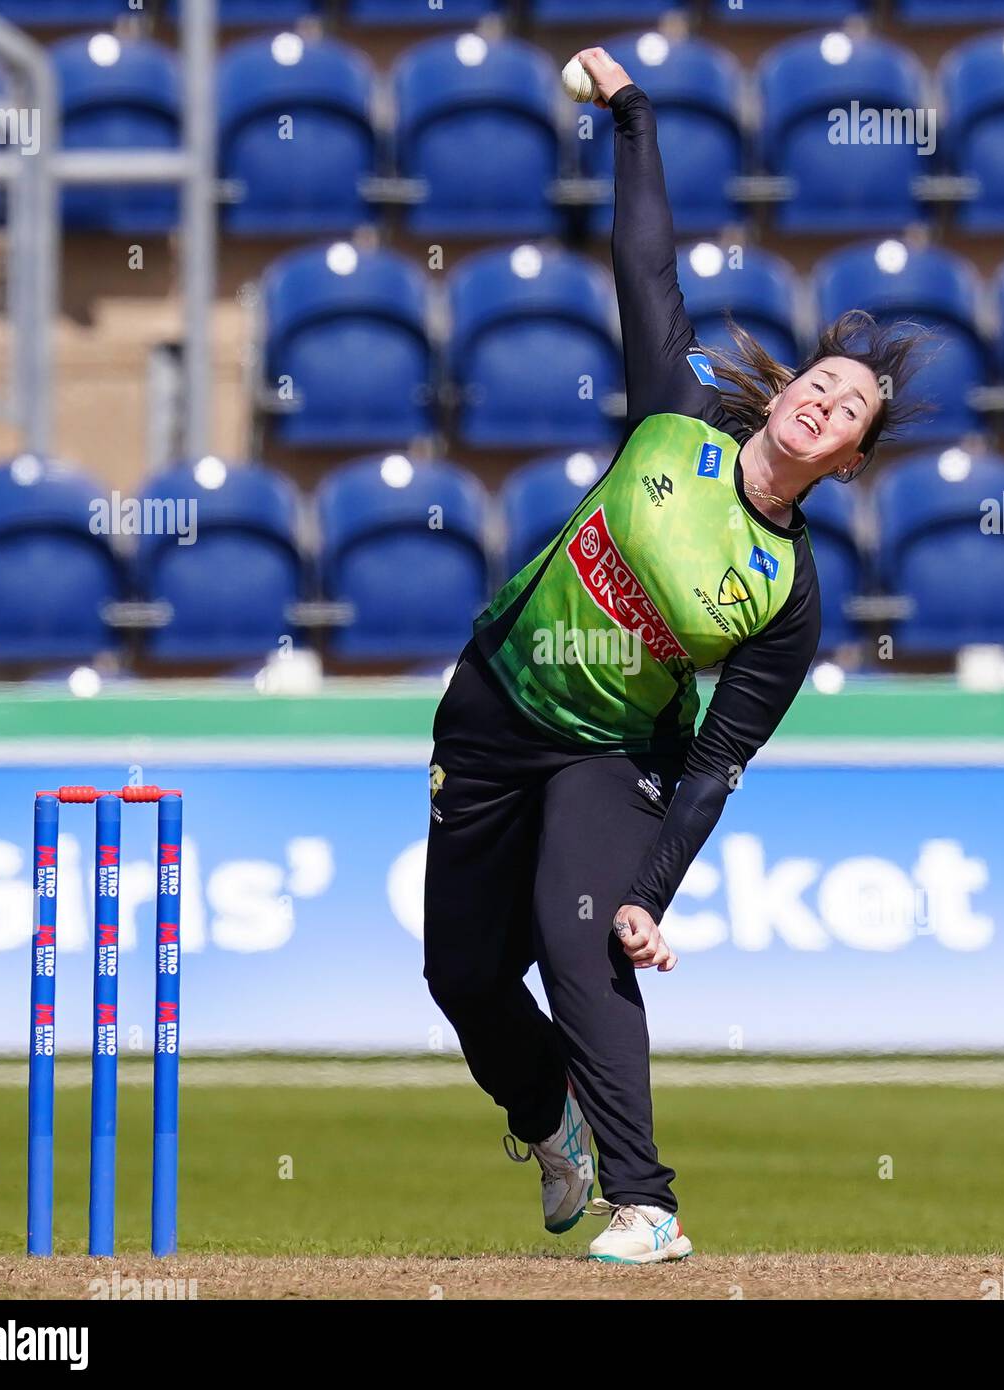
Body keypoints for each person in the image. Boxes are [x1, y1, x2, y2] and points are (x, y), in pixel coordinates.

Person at [422, 46, 926, 1264]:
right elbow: (645, 261)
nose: (827, 400)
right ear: (788, 391)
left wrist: (651, 892)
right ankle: (544, 1119)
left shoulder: (786, 596)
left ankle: (649, 1203)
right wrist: (631, 113)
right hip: (491, 706)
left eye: (852, 408)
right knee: (463, 976)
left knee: (580, 931)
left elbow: (715, 764)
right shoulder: (681, 410)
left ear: (850, 461)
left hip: (611, 748)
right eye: (823, 379)